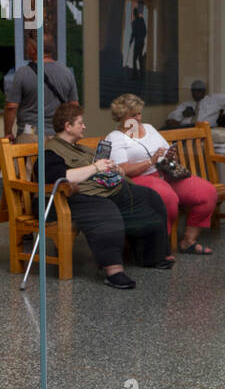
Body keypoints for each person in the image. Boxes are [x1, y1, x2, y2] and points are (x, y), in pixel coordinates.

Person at [40, 102, 171, 288]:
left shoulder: (79, 147)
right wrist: (95, 167)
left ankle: (152, 257)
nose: (84, 126)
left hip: (101, 190)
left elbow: (99, 166)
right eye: (80, 123)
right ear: (68, 126)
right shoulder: (51, 152)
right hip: (70, 197)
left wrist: (113, 167)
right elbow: (59, 177)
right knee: (106, 212)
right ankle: (113, 271)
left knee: (149, 197)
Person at [106, 93, 217, 254]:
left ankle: (188, 241)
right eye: (133, 115)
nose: (138, 118)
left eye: (139, 113)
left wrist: (171, 155)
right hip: (138, 179)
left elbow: (168, 152)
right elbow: (123, 170)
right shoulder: (115, 138)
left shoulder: (149, 128)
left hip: (166, 173)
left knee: (207, 192)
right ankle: (158, 248)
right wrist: (149, 162)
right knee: (167, 198)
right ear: (122, 117)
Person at [3, 31, 77, 140]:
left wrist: (8, 132)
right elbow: (74, 106)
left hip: (30, 134)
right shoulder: (66, 72)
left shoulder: (23, 73)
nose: (26, 48)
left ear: (33, 49)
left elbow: (11, 107)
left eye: (28, 45)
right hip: (58, 136)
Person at [129, 7, 147, 81]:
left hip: (140, 42)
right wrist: (131, 40)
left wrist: (141, 37)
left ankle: (142, 75)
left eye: (136, 12)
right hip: (137, 42)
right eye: (134, 12)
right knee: (134, 59)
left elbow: (145, 31)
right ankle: (135, 75)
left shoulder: (141, 20)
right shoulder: (133, 22)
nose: (135, 13)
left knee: (139, 58)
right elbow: (133, 33)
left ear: (137, 13)